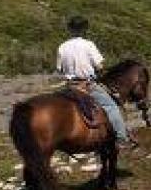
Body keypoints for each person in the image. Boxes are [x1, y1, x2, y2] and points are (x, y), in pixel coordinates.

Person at [55, 16, 129, 145]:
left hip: (71, 86)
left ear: (69, 29)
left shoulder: (62, 47)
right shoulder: (89, 45)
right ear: (85, 29)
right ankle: (122, 138)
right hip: (87, 85)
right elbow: (100, 66)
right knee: (111, 107)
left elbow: (59, 69)